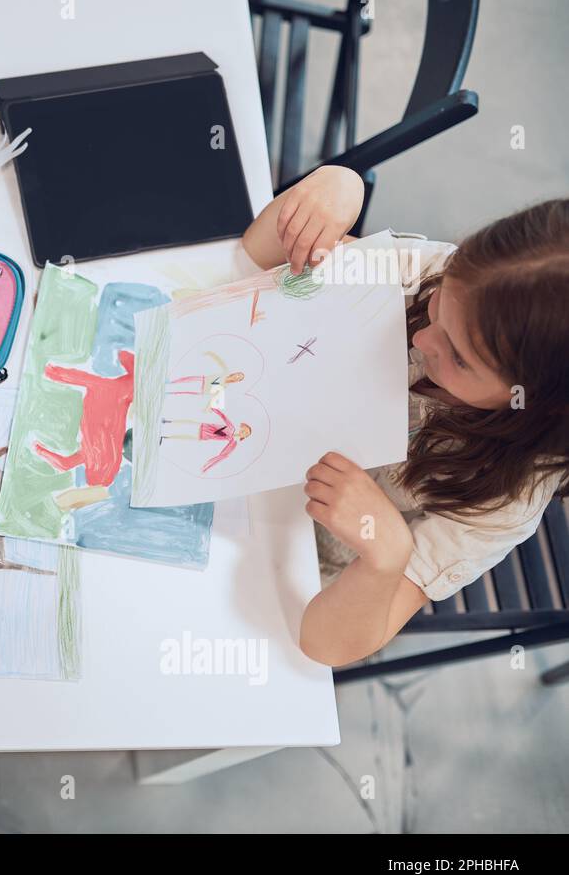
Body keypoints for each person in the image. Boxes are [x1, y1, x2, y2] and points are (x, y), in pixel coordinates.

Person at [240, 165, 568, 665]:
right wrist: (333, 185)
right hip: (247, 435)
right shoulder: (434, 271)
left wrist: (385, 556)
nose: (422, 338)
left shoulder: (503, 500)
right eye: (437, 307)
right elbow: (260, 257)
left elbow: (326, 644)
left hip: (280, 555)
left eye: (458, 357)